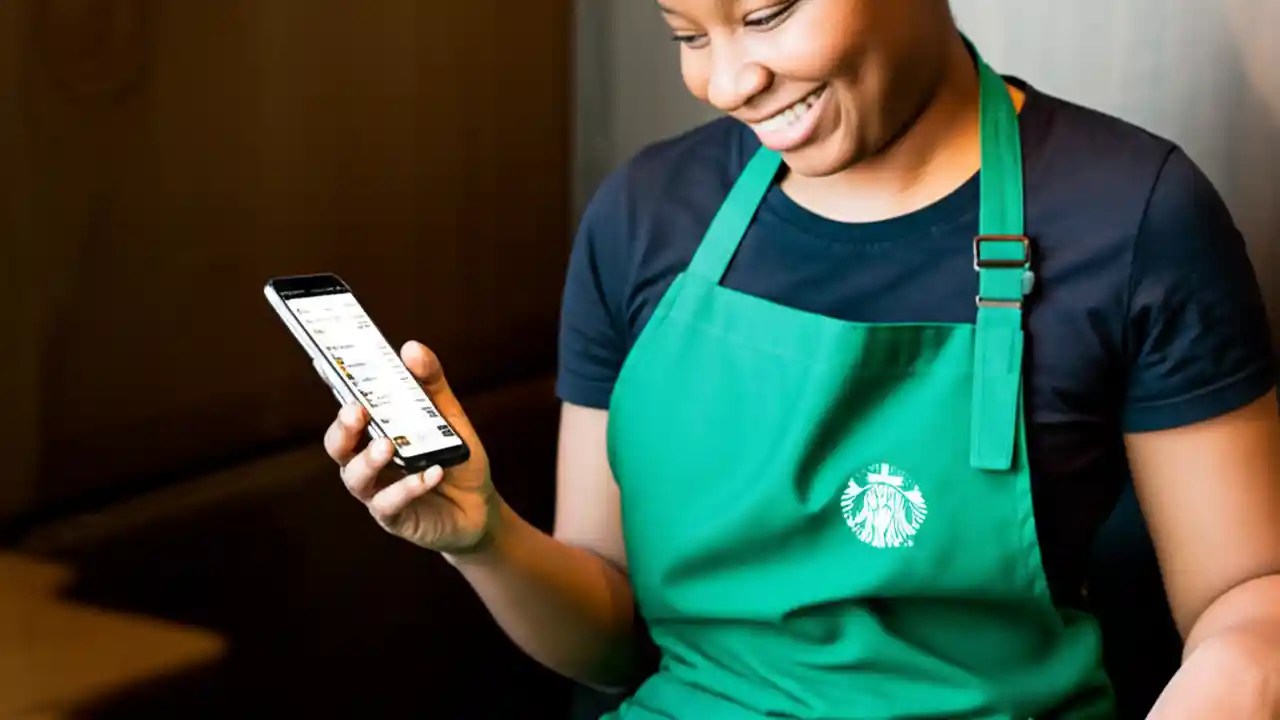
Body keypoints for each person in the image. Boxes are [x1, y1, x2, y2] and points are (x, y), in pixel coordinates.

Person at [324, 1, 1280, 718]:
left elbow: (1249, 597)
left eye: (767, 14)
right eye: (688, 35)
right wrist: (486, 538)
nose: (729, 82)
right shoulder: (644, 216)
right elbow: (615, 640)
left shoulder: (1133, 214)